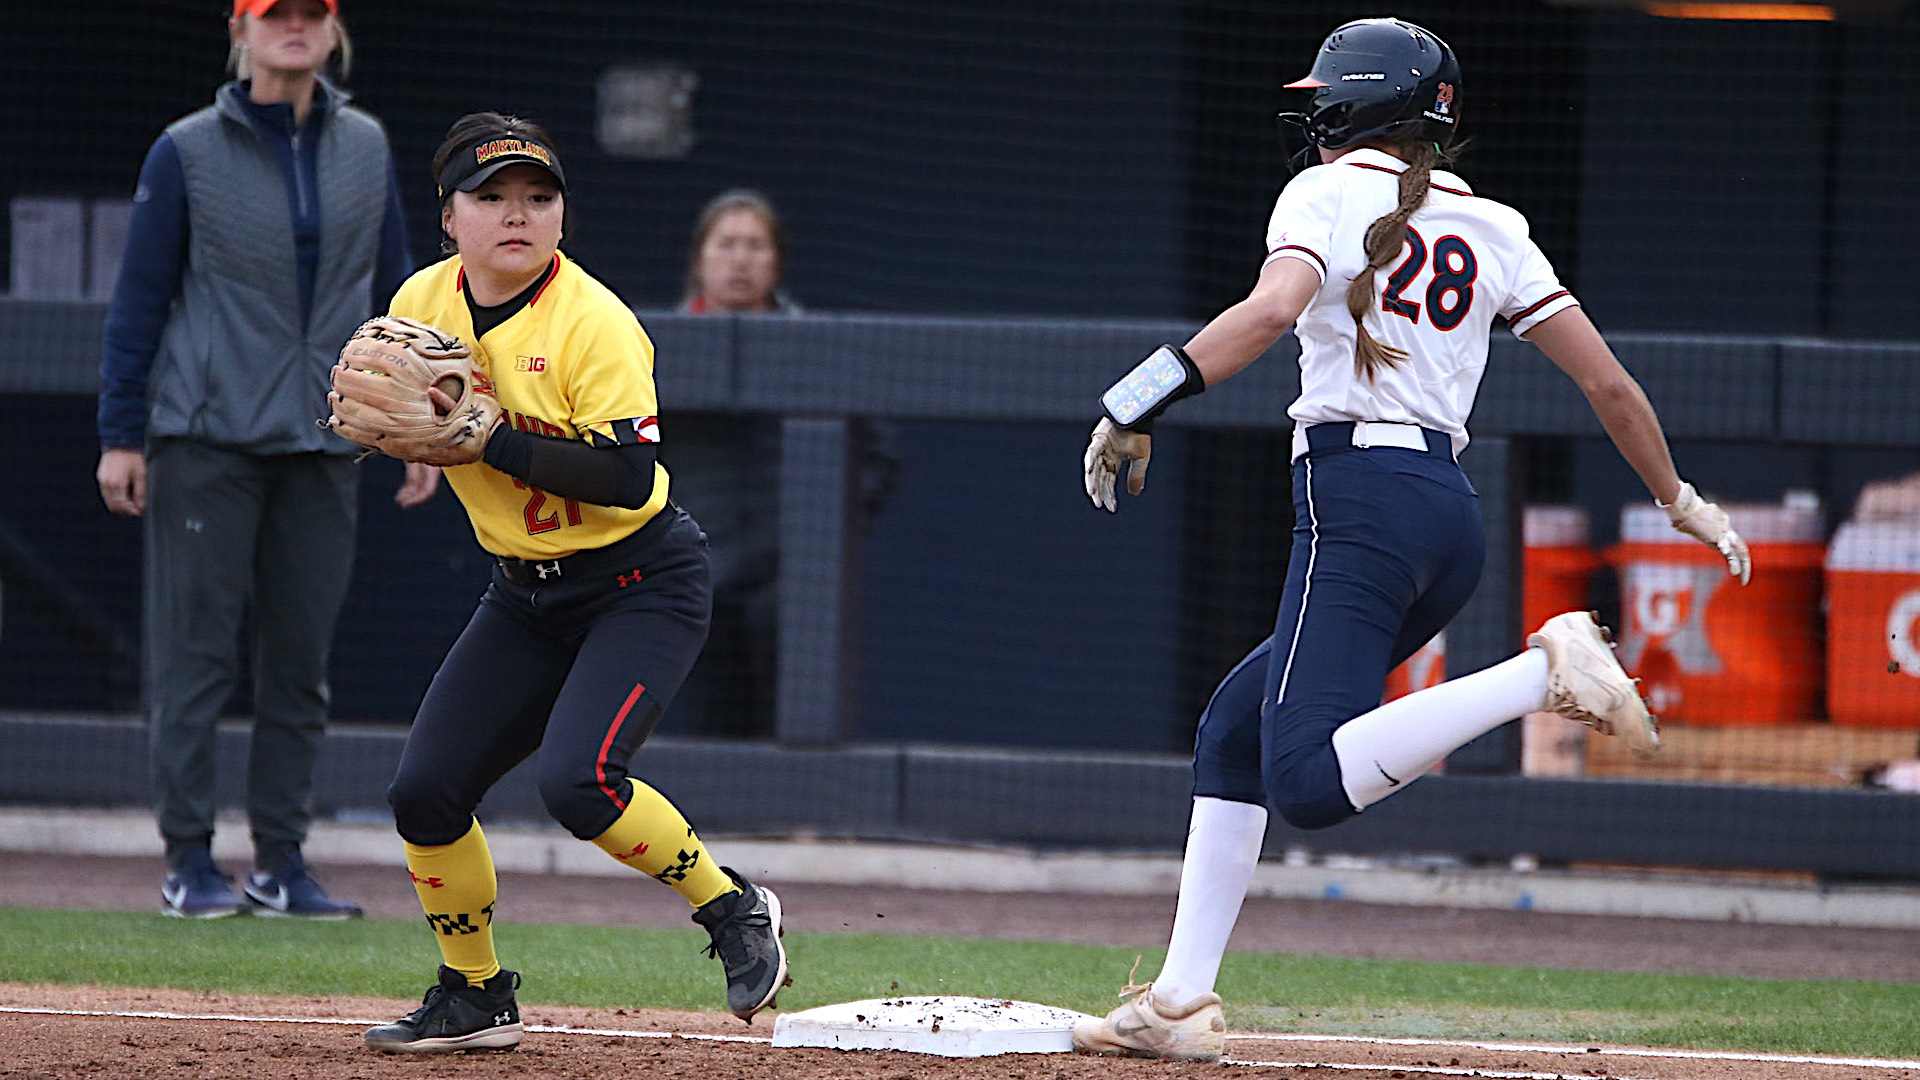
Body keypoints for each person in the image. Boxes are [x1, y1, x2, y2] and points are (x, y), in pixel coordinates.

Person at [1074, 18, 1750, 1062]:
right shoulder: (1500, 226)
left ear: (1355, 106)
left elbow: (1266, 314)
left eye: (1324, 98)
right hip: (1445, 514)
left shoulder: (1323, 193)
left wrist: (1135, 400)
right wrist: (1681, 500)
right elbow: (1608, 384)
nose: (1313, 115)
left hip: (1357, 498)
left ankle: (1542, 674)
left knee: (1302, 779)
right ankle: (1177, 1005)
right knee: (1234, 733)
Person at [336, 113, 788, 1054]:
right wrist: (412, 445)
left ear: (562, 217)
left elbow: (628, 478)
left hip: (639, 579)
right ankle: (474, 995)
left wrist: (488, 436)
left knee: (579, 784)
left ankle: (734, 909)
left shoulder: (595, 320)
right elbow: (398, 405)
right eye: (490, 196)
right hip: (523, 593)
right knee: (423, 793)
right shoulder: (424, 298)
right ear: (449, 216)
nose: (516, 214)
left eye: (538, 198)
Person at [94, 0, 418, 921]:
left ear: (333, 30)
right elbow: (139, 301)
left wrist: (413, 428)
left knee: (300, 661)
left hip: (325, 440)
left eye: (311, 14)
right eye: (275, 13)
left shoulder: (365, 144)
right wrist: (123, 434)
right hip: (206, 435)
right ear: (240, 29)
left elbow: (398, 293)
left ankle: (282, 861)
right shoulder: (185, 149)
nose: (294, 27)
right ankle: (188, 861)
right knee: (194, 656)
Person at [665, 190, 797, 737]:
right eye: (726, 245)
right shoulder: (653, 345)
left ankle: (799, 821)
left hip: (792, 574)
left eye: (754, 245)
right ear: (700, 259)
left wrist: (821, 532)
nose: (740, 259)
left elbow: (876, 457)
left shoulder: (815, 345)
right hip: (689, 567)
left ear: (776, 261)